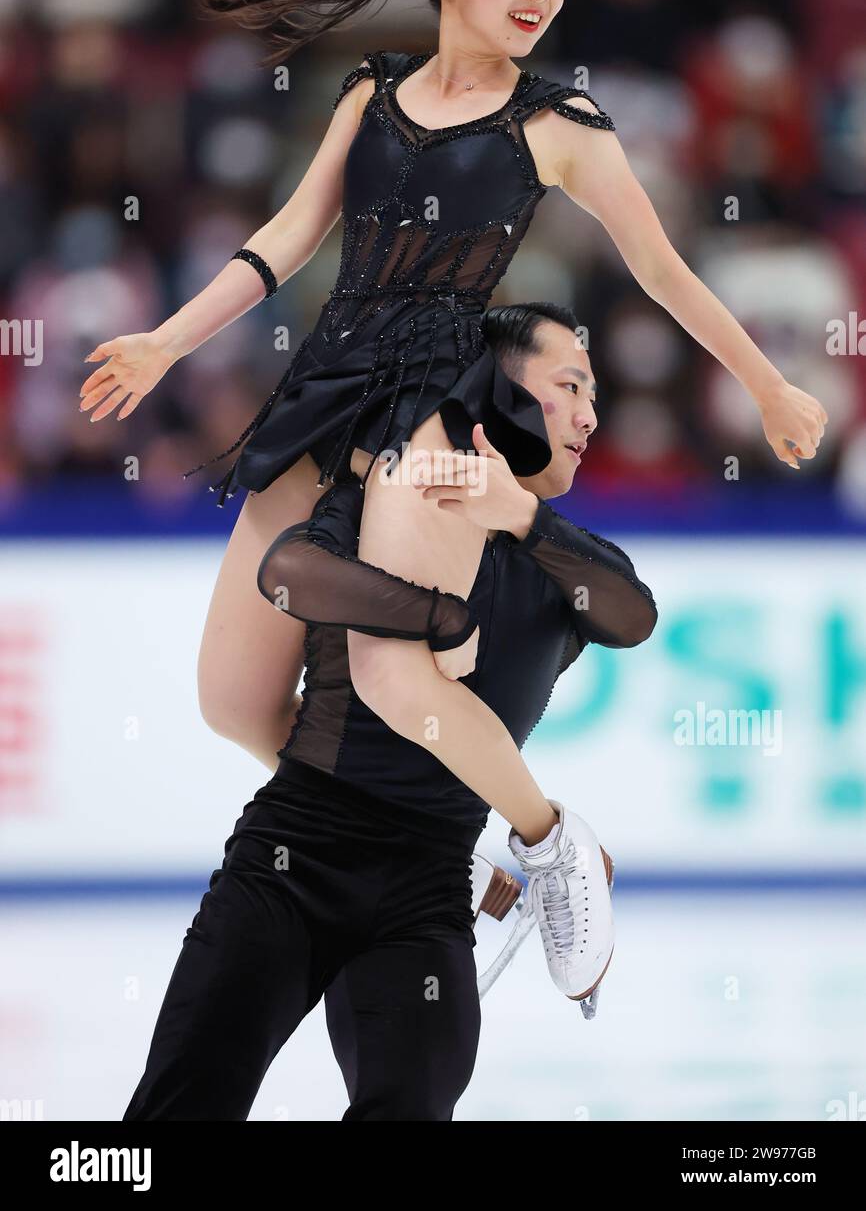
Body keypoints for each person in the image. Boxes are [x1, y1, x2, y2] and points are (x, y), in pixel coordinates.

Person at [82, 0, 826, 971]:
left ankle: (552, 840)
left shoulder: (559, 126)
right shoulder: (370, 92)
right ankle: (464, 838)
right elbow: (284, 240)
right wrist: (162, 343)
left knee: (393, 676)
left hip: (429, 412)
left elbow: (661, 270)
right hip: (322, 395)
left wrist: (765, 385)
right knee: (232, 700)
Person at [122, 303, 656, 1121]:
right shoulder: (387, 496)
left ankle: (550, 842)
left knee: (411, 1102)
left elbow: (634, 613)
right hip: (294, 859)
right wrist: (441, 616)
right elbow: (289, 572)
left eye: (595, 394)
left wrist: (518, 514)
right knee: (176, 1113)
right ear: (504, 392)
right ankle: (551, 840)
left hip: (430, 888)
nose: (591, 415)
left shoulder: (563, 565)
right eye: (570, 386)